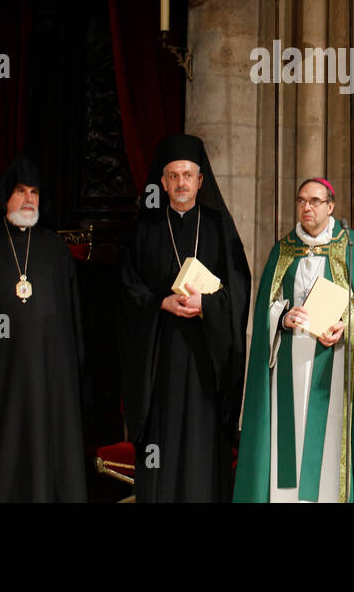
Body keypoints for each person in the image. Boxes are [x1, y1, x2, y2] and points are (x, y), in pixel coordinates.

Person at [234, 178, 354, 503]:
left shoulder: (351, 247)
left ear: (330, 206)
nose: (307, 207)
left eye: (315, 201)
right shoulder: (283, 249)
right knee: (288, 439)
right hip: (290, 361)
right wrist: (281, 317)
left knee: (331, 440)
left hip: (334, 367)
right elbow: (269, 303)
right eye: (302, 200)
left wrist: (345, 325)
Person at [0, 153, 88, 501]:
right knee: (3, 455)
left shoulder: (55, 248)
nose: (29, 200)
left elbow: (72, 315)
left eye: (35, 193)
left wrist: (74, 370)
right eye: (22, 191)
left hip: (49, 373)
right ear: (5, 197)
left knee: (47, 451)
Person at [119, 134, 250, 502]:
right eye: (173, 176)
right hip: (160, 357)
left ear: (200, 180)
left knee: (201, 441)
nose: (180, 183)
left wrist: (206, 305)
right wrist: (162, 303)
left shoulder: (218, 226)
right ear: (162, 182)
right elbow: (128, 288)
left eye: (188, 175)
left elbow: (238, 288)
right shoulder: (145, 230)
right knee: (162, 438)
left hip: (206, 359)